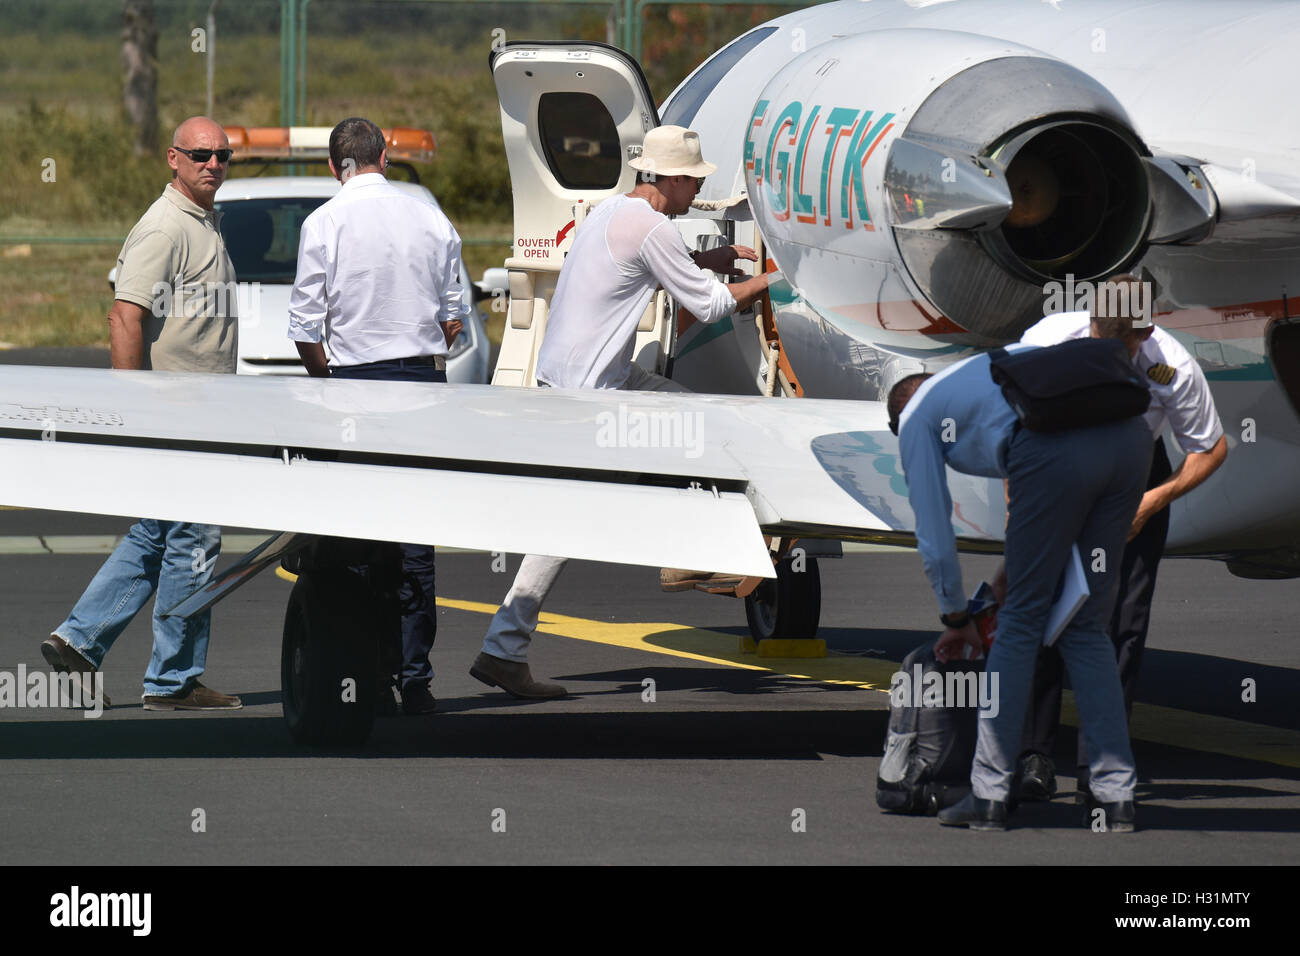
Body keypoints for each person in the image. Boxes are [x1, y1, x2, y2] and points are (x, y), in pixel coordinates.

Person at [471, 125, 778, 699]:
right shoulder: (655, 225)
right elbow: (709, 306)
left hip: (572, 375)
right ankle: (681, 557)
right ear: (676, 179)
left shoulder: (614, 211)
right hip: (594, 392)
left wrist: (705, 257)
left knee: (582, 506)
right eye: (694, 182)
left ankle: (504, 649)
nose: (695, 194)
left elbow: (646, 267)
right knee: (701, 430)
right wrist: (767, 281)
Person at [888, 326, 1152, 830]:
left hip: (1053, 453)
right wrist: (1012, 571)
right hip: (1131, 444)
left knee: (1018, 627)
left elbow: (935, 532)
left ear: (899, 417)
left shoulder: (917, 419)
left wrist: (956, 615)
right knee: (1087, 627)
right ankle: (1114, 798)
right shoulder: (1002, 365)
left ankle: (988, 795)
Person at [42, 116, 241, 711]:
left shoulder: (203, 221)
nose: (213, 164)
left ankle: (79, 639)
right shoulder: (164, 227)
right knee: (195, 538)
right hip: (176, 413)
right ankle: (174, 680)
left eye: (223, 155)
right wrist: (130, 412)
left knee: (159, 531)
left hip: (199, 411)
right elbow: (125, 316)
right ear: (172, 159)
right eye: (201, 154)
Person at [1012, 276, 1226, 801]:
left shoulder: (1169, 364)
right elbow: (1007, 423)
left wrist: (1156, 500)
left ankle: (1100, 768)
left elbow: (1212, 447)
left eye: (1120, 343)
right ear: (1090, 322)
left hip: (1136, 476)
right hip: (1058, 468)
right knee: (1044, 616)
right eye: (1100, 337)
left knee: (1120, 628)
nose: (1108, 350)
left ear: (1144, 332)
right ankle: (1033, 757)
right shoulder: (1046, 343)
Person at [288, 116, 467, 716]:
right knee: (415, 540)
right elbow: (454, 319)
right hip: (419, 384)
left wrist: (327, 382)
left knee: (354, 531)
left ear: (335, 165)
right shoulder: (430, 217)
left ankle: (355, 667)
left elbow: (304, 329)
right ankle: (414, 678)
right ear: (383, 157)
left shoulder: (324, 222)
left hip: (354, 388)